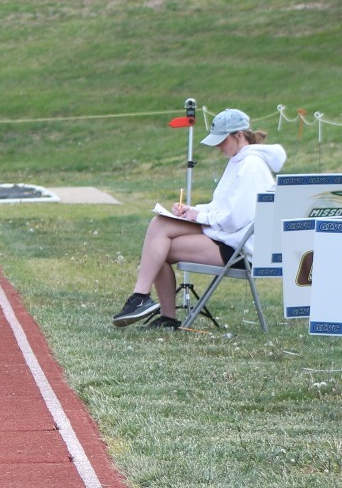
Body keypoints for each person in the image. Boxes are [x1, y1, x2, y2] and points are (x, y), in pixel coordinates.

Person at [110, 109, 285, 329]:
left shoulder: (251, 166)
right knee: (159, 232)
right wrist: (192, 211)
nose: (218, 146)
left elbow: (235, 218)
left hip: (239, 248)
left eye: (222, 140)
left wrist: (199, 216)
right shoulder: (240, 160)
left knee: (159, 243)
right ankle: (156, 309)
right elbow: (225, 208)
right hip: (228, 238)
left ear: (239, 135)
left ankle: (146, 301)